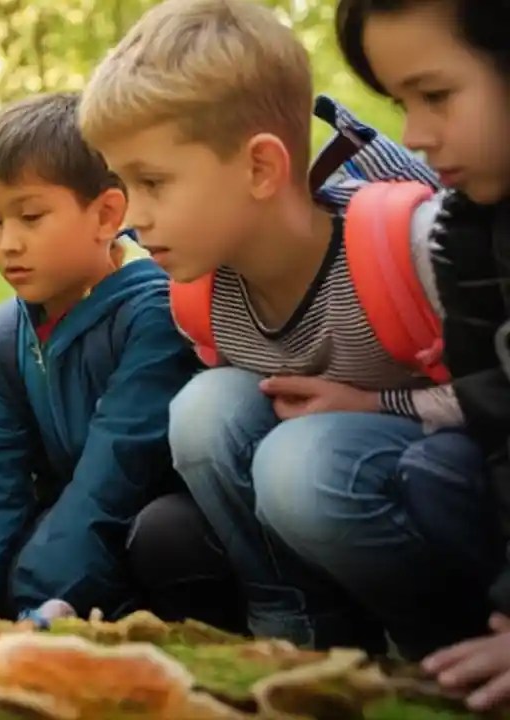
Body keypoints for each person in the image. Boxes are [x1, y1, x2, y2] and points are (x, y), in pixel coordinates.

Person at [79, 0, 497, 658]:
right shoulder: (201, 297)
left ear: (261, 169)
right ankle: (298, 630)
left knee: (298, 465)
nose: (134, 216)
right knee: (205, 409)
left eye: (154, 183)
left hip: (444, 477)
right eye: (125, 185)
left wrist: (378, 402)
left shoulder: (410, 251)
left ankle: (433, 646)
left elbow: (492, 397)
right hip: (339, 497)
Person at [0, 92, 242, 631]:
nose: (8, 243)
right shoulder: (6, 335)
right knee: (18, 546)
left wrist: (42, 592)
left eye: (30, 216)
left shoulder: (154, 312)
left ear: (106, 214)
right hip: (79, 537)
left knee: (164, 534)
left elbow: (117, 466)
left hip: (159, 534)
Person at [334, 0, 510, 710]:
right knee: (444, 470)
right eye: (400, 102)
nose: (415, 136)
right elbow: (500, 431)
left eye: (435, 96)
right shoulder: (471, 239)